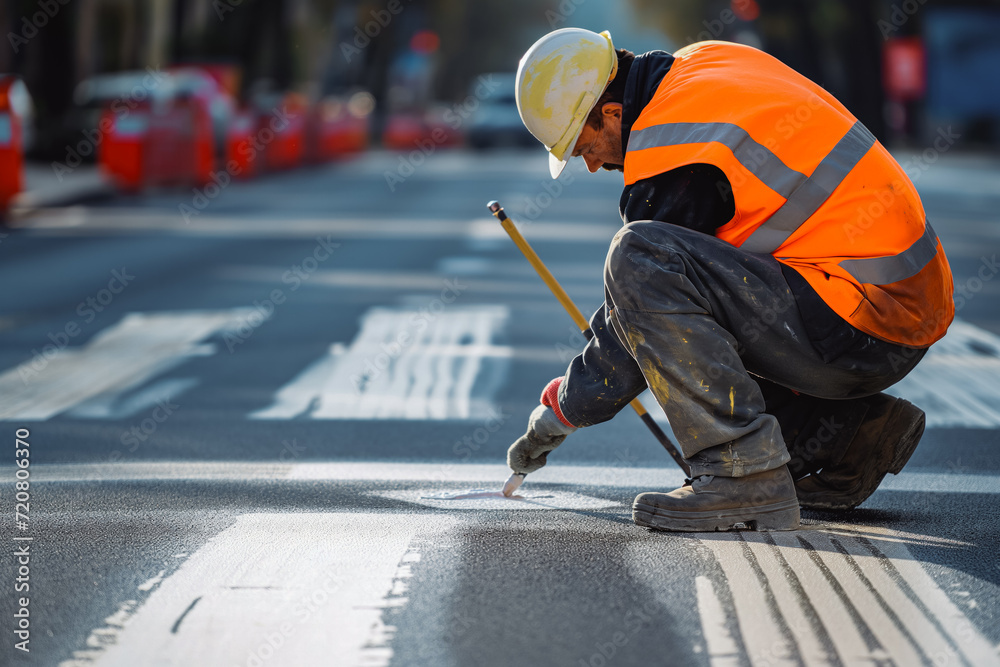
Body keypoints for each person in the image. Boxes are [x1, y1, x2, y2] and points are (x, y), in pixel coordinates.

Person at [507, 28, 954, 532]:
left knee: (637, 254)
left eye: (583, 147)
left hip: (857, 320)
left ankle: (742, 475)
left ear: (612, 113)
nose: (590, 165)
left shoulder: (671, 147)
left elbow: (639, 317)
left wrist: (561, 410)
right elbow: (663, 305)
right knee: (681, 298)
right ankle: (846, 436)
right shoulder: (706, 63)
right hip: (900, 302)